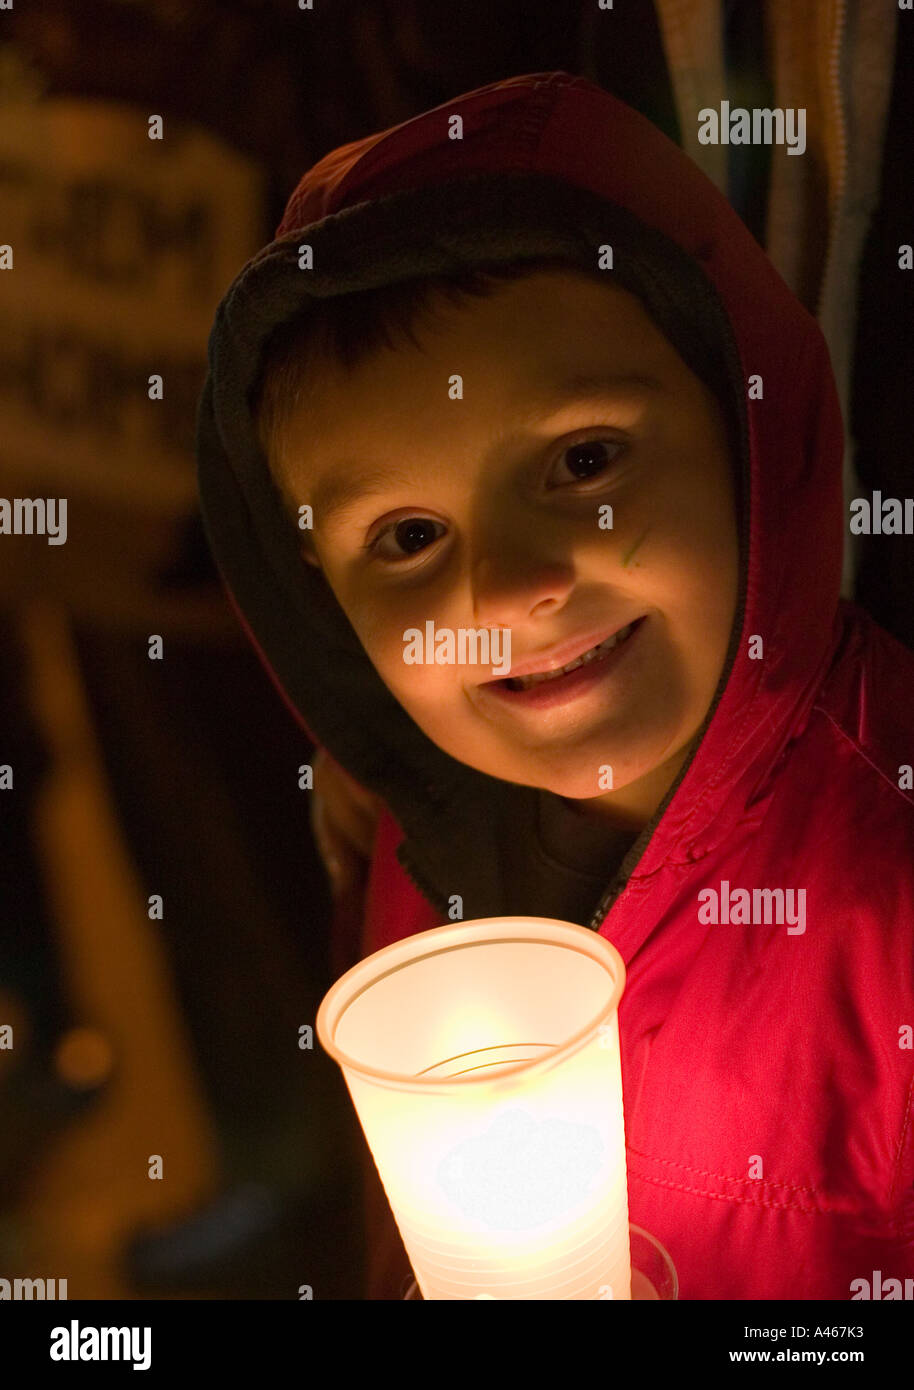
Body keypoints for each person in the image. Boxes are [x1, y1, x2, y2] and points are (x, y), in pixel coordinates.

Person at [196, 71, 914, 1299]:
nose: (508, 589)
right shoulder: (413, 856)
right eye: (408, 537)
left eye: (583, 459)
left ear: (743, 425)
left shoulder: (883, 897)